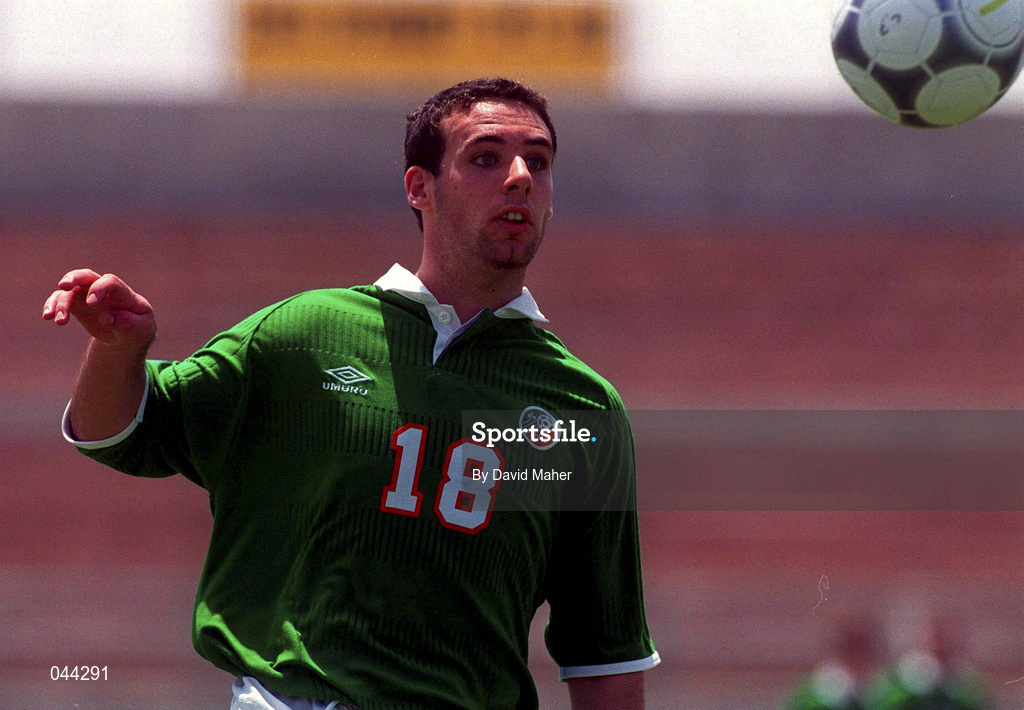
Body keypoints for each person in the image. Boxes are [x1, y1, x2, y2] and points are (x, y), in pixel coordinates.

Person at [42, 77, 659, 710]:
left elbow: (604, 657)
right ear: (420, 187)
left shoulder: (574, 408)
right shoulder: (306, 336)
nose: (521, 177)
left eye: (541, 160)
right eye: (486, 157)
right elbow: (119, 431)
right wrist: (117, 350)